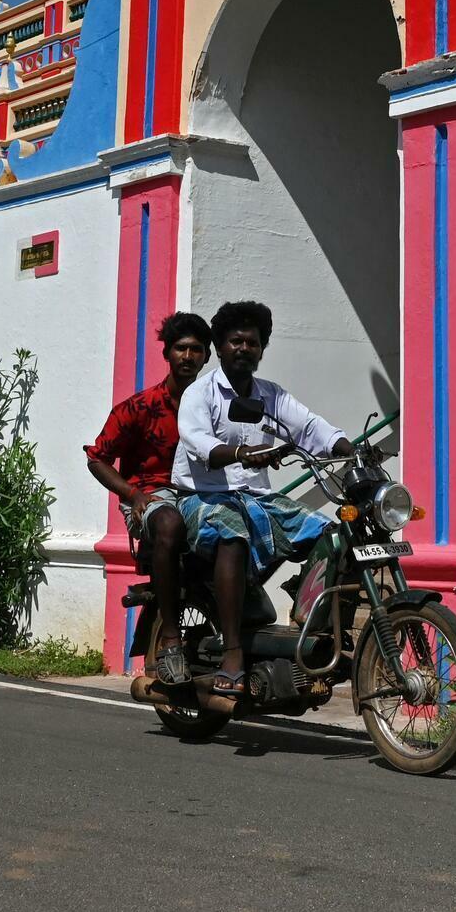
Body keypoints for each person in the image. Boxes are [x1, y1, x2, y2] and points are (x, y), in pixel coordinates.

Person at [173, 299, 351, 709]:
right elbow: (197, 441)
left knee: (332, 536)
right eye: (235, 341)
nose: (244, 348)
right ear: (219, 346)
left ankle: (310, 624)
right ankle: (233, 653)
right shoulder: (200, 393)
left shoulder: (270, 395)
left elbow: (308, 426)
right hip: (202, 497)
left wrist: (349, 449)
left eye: (252, 343)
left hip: (256, 498)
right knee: (230, 533)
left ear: (261, 348)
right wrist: (238, 454)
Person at [85, 311, 211, 684]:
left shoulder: (213, 407)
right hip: (150, 497)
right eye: (181, 348)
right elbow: (97, 458)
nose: (188, 357)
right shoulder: (139, 407)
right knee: (168, 521)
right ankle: (171, 640)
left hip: (198, 496)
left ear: (206, 356)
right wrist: (132, 493)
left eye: (197, 350)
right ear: (167, 354)